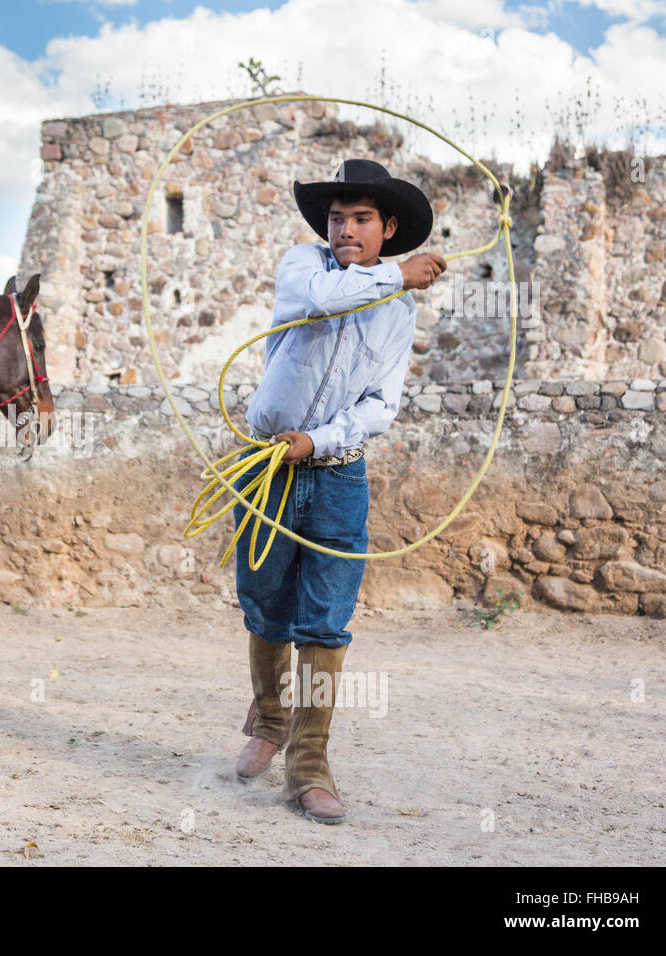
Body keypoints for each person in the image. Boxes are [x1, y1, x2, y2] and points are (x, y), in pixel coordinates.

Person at [233, 158, 447, 824]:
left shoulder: (398, 310)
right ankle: (269, 718)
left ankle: (310, 764)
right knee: (264, 602)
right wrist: (395, 274)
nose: (345, 230)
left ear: (388, 227)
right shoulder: (304, 266)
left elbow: (381, 404)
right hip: (266, 466)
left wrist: (317, 442)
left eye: (360, 219)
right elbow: (322, 301)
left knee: (324, 621)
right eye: (336, 218)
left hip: (337, 475)